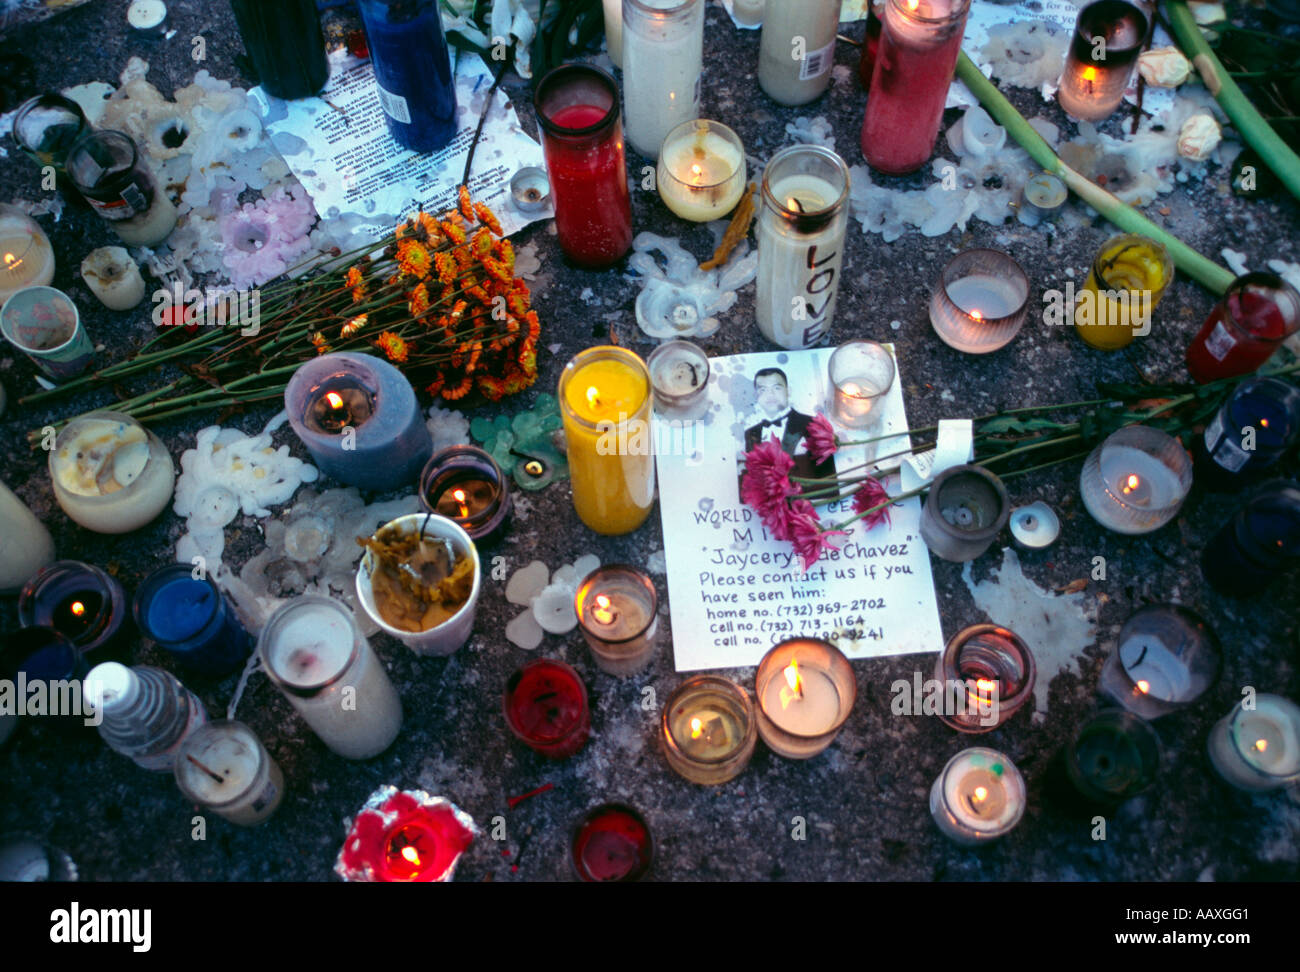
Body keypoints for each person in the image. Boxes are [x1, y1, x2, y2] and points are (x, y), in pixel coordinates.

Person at [742, 367, 836, 481]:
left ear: (788, 391)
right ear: (756, 396)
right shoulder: (751, 433)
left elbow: (826, 474)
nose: (770, 394)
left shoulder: (811, 423)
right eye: (763, 390)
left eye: (777, 388)